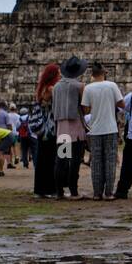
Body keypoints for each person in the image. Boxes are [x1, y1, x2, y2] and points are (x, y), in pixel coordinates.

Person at [81, 63, 124, 199]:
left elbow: (85, 110)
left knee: (96, 162)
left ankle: (97, 193)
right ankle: (109, 192)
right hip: (110, 128)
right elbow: (122, 104)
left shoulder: (88, 88)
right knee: (110, 161)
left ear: (92, 74)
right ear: (104, 73)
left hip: (95, 129)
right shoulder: (112, 86)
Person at [52, 56, 88, 199]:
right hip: (76, 129)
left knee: (61, 160)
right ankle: (74, 191)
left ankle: (59, 191)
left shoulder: (56, 87)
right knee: (75, 161)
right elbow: (85, 109)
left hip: (62, 129)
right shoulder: (79, 86)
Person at [28, 63, 60, 197]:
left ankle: (40, 189)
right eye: (58, 73)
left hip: (42, 130)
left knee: (42, 159)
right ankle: (51, 189)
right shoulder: (51, 89)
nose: (60, 75)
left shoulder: (41, 89)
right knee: (51, 159)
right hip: (50, 129)